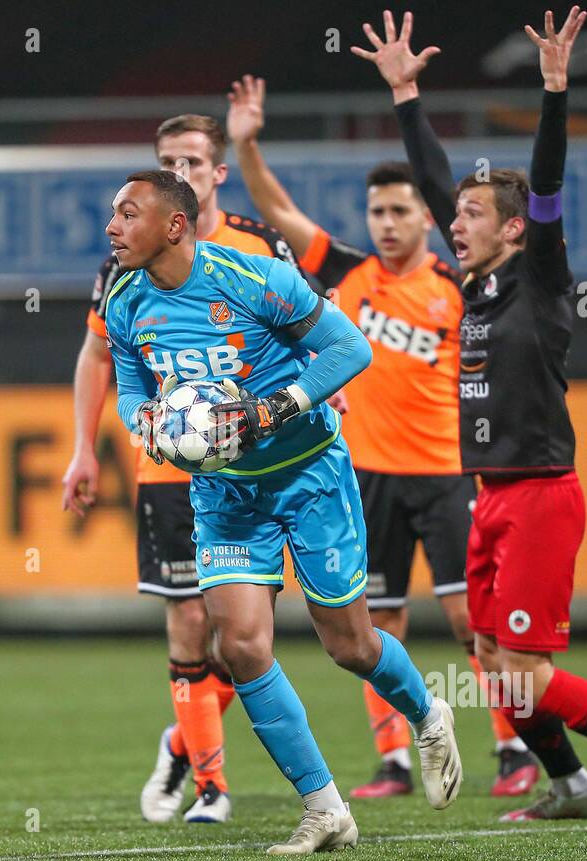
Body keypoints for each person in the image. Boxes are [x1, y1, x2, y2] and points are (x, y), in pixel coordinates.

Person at [356, 7, 587, 823]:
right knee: (487, 655)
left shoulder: (539, 275)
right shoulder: (474, 283)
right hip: (491, 493)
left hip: (542, 492)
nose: (455, 225)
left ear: (515, 229)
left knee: (525, 670)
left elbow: (544, 182)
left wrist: (554, 90)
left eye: (473, 218)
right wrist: (407, 95)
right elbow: (441, 181)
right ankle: (572, 786)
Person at [102, 169, 462, 854]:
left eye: (127, 214)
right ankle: (325, 808)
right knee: (238, 645)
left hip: (308, 475)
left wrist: (276, 407)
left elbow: (350, 348)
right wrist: (143, 421)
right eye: (113, 215)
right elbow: (129, 386)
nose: (112, 227)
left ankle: (427, 713)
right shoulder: (124, 300)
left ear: (173, 226)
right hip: (225, 492)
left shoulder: (254, 277)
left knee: (349, 645)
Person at [227, 74, 540, 799]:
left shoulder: (458, 284)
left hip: (443, 474)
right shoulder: (345, 272)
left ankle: (512, 746)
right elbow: (276, 207)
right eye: (377, 211)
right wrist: (245, 143)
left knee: (471, 622)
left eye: (401, 209)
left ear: (426, 220)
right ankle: (395, 759)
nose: (388, 222)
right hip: (361, 477)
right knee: (379, 620)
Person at [62, 115, 300, 825]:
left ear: (218, 171)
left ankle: (183, 738)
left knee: (243, 635)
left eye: (193, 160)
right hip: (171, 465)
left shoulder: (259, 248)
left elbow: (311, 324)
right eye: (169, 161)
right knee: (189, 624)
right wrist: (83, 446)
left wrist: (320, 386)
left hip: (259, 464)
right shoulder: (126, 265)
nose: (182, 172)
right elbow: (99, 355)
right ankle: (211, 786)